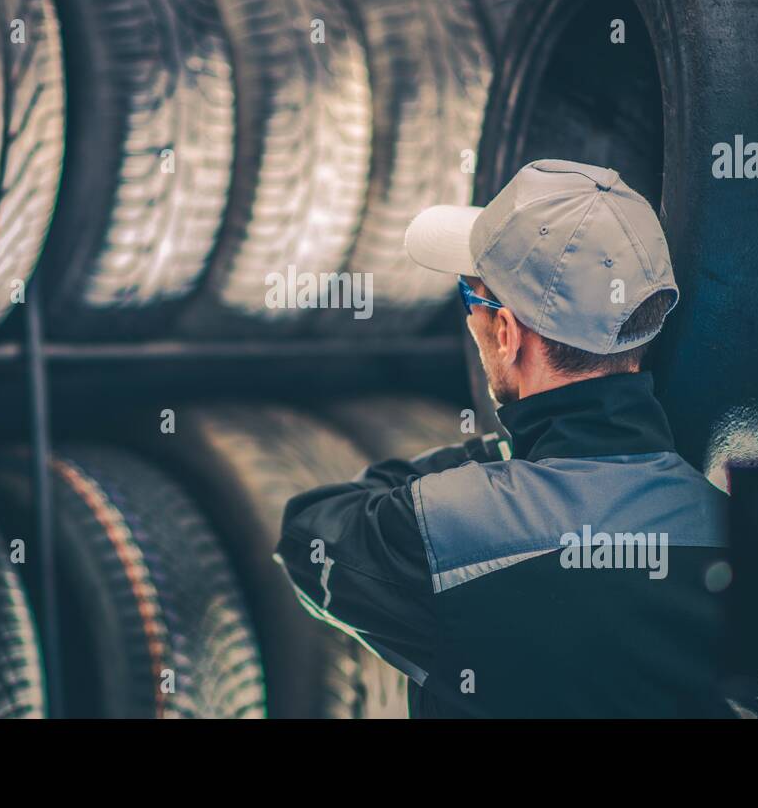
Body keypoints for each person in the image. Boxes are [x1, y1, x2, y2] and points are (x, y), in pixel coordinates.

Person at [274, 159, 732, 717]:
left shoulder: (443, 530)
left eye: (472, 299)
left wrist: (494, 453)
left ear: (507, 332)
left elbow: (306, 536)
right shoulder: (734, 534)